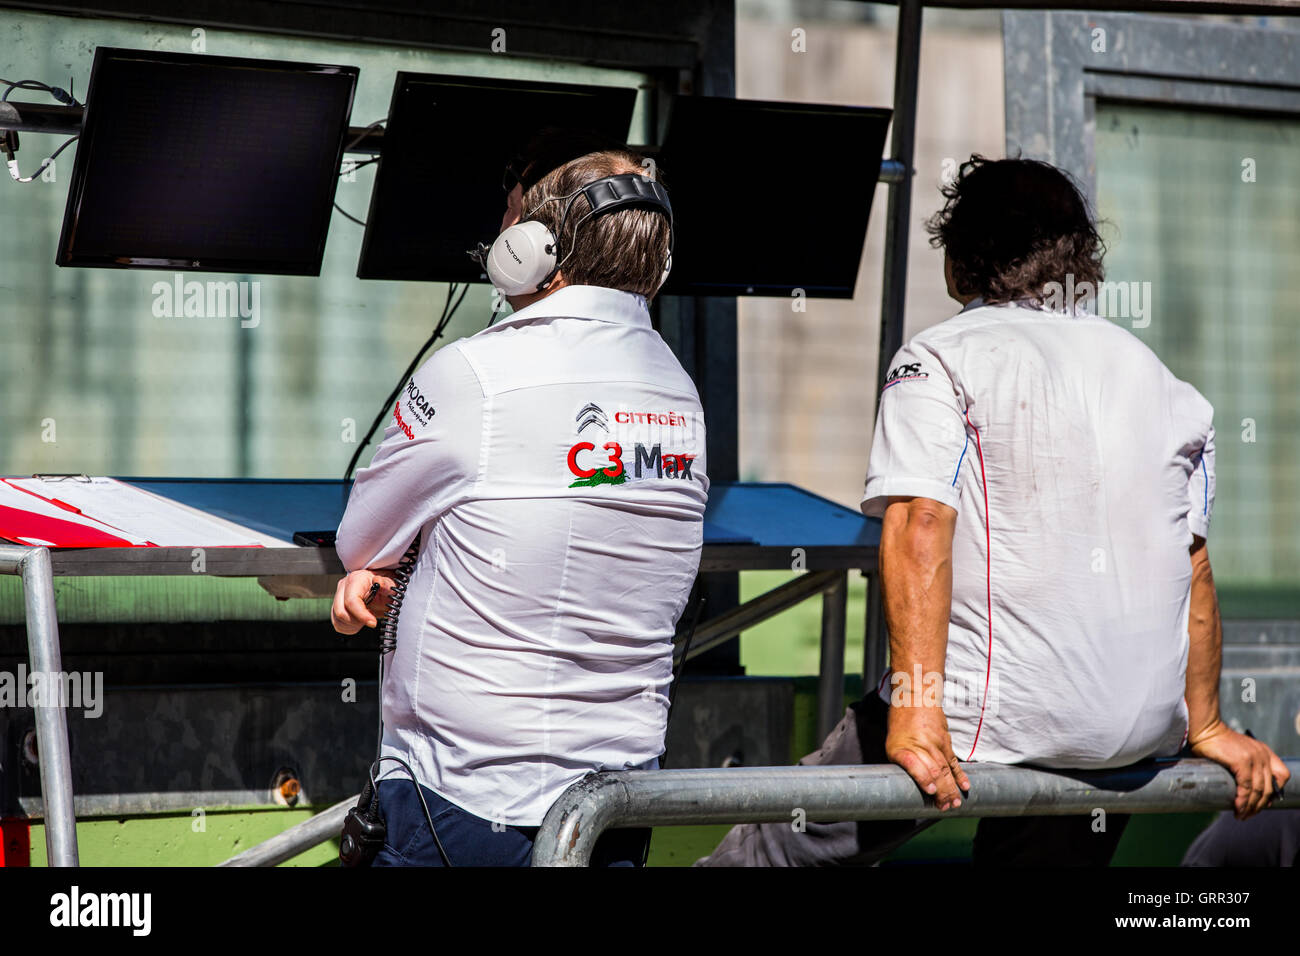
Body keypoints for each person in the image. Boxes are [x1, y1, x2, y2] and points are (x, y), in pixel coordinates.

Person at [697, 154, 1290, 867]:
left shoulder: (940, 359)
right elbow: (1194, 567)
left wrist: (917, 707)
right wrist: (1210, 723)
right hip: (1128, 739)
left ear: (957, 264)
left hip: (994, 721)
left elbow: (920, 524)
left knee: (776, 847)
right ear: (1081, 263)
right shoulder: (1170, 387)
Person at [331, 144, 706, 866]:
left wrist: (386, 565)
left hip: (465, 802)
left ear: (531, 251)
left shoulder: (475, 373)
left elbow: (360, 540)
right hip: (616, 809)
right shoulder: (679, 389)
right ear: (655, 269)